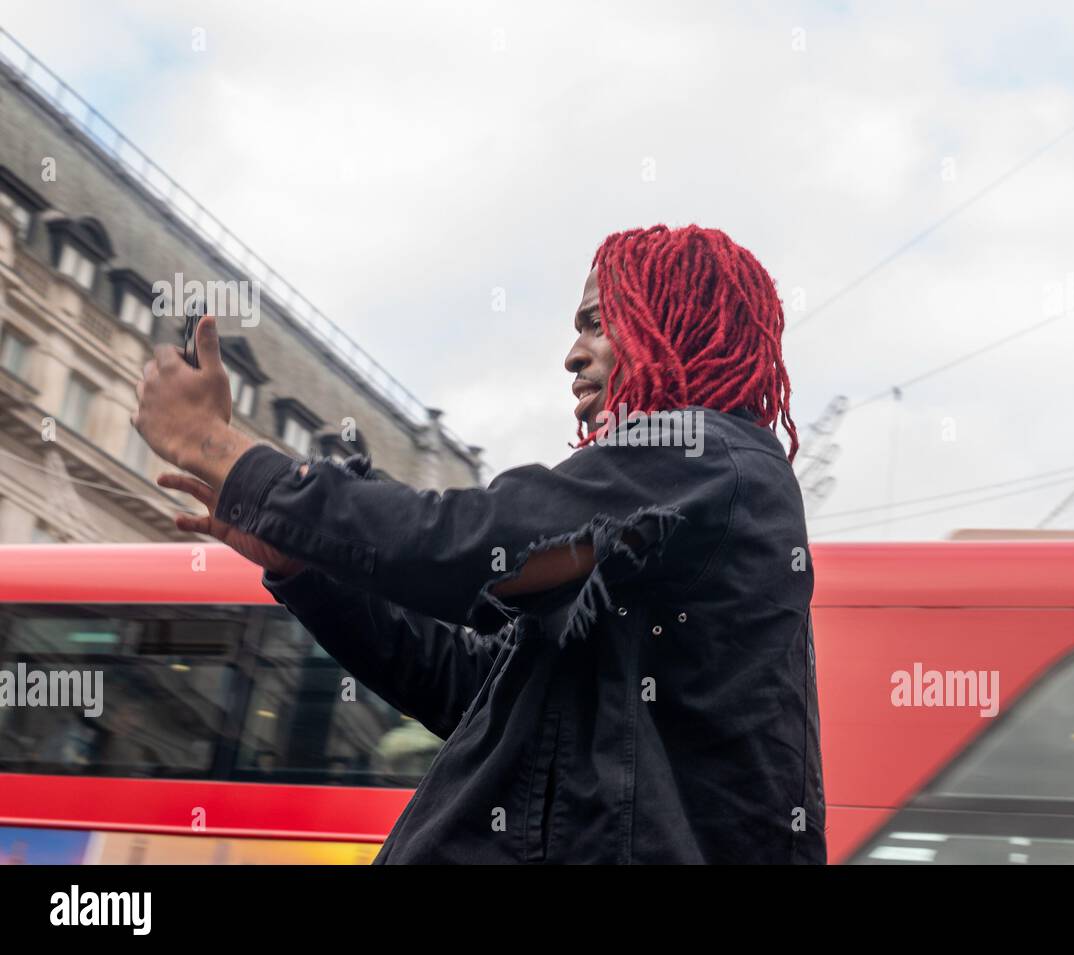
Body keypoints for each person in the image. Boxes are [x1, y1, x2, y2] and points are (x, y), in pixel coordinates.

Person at [132, 224, 826, 864]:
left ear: (675, 320)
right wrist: (304, 571)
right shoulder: (676, 500)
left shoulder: (706, 457)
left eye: (595, 323)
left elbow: (467, 540)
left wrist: (220, 448)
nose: (572, 354)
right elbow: (465, 681)